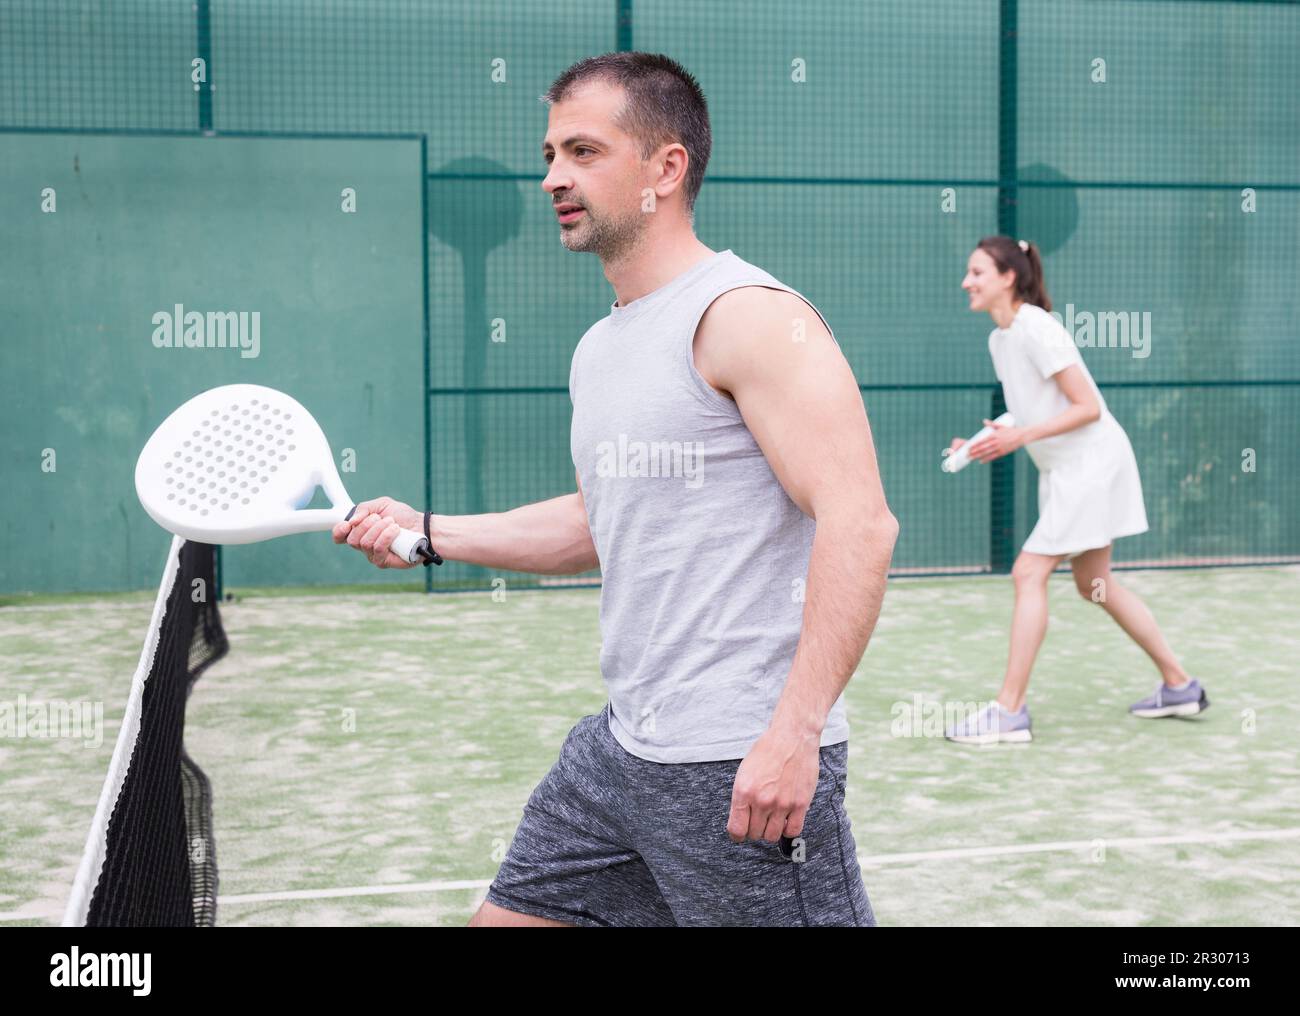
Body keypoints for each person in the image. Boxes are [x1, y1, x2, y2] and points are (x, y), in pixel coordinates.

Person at [333, 52, 898, 925]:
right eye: (551, 153)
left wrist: (794, 733)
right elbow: (605, 524)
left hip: (734, 762)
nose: (555, 177)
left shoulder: (748, 318)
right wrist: (431, 531)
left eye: (585, 153)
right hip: (622, 749)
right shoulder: (602, 348)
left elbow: (860, 524)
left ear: (666, 169)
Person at [944, 236, 1209, 746]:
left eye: (977, 272)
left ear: (1008, 277)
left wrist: (1020, 436)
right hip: (1067, 469)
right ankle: (1179, 685)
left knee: (1028, 572)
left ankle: (1009, 712)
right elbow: (1031, 409)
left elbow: (1087, 406)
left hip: (1092, 464)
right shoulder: (1000, 339)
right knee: (1094, 584)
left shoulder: (1036, 327)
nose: (966, 282)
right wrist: (984, 439)